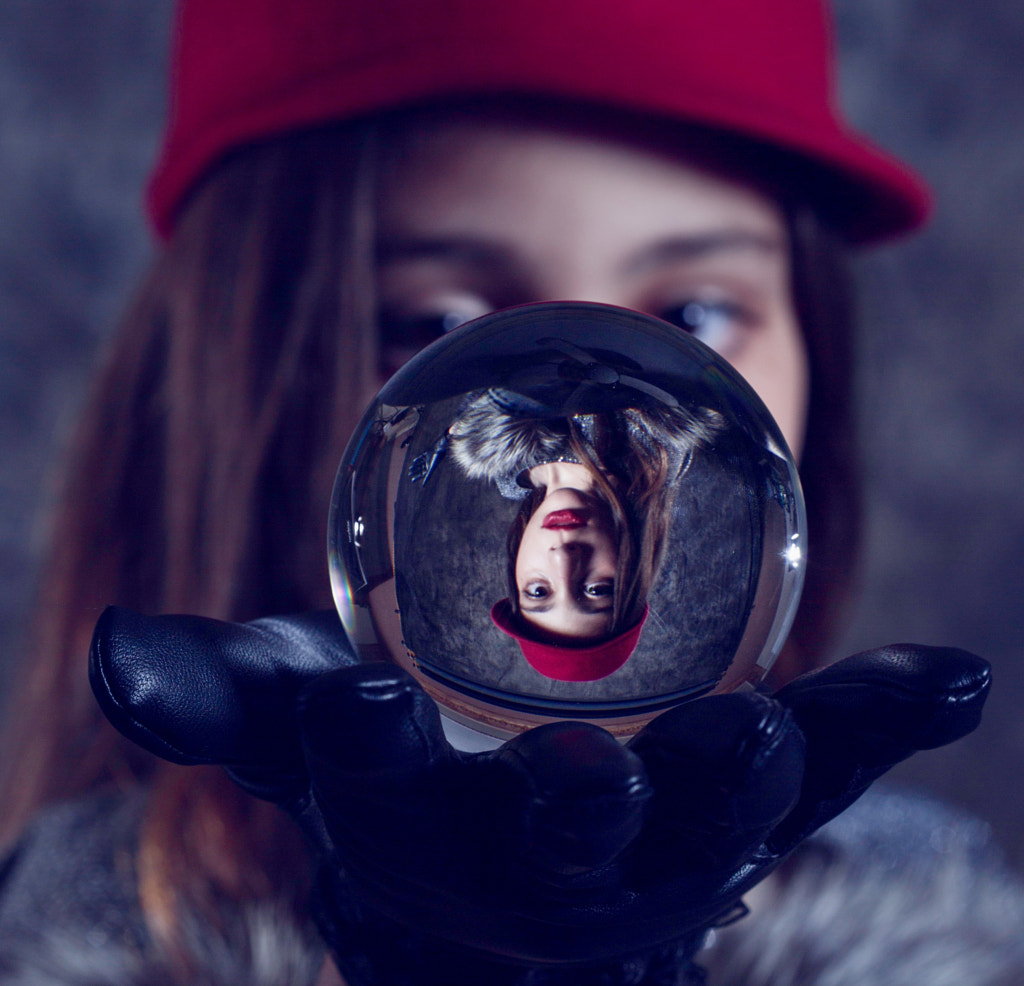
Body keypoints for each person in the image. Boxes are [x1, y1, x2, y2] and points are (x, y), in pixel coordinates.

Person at [1, 0, 1022, 983]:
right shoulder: (57, 921)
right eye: (439, 322)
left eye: (697, 311)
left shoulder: (944, 906)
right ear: (240, 371)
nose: (587, 423)